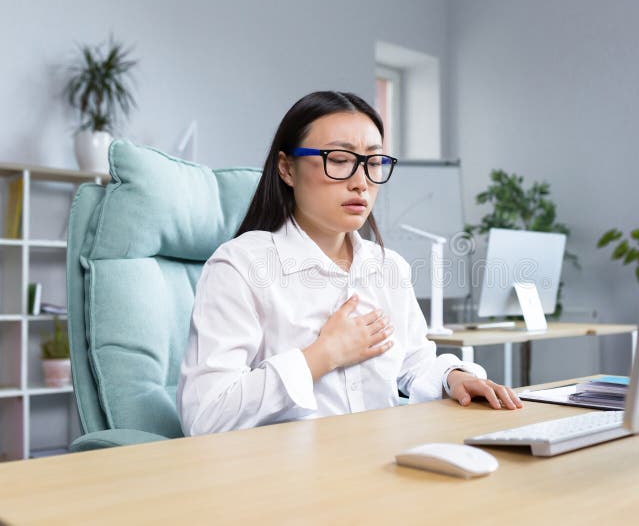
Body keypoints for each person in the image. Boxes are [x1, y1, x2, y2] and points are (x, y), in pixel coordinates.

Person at [177, 91, 522, 436]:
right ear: (287, 169)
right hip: (288, 464)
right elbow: (206, 416)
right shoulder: (240, 266)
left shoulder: (388, 267)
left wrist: (453, 378)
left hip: (384, 456)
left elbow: (413, 362)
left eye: (373, 163)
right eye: (340, 160)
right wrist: (324, 354)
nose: (361, 183)